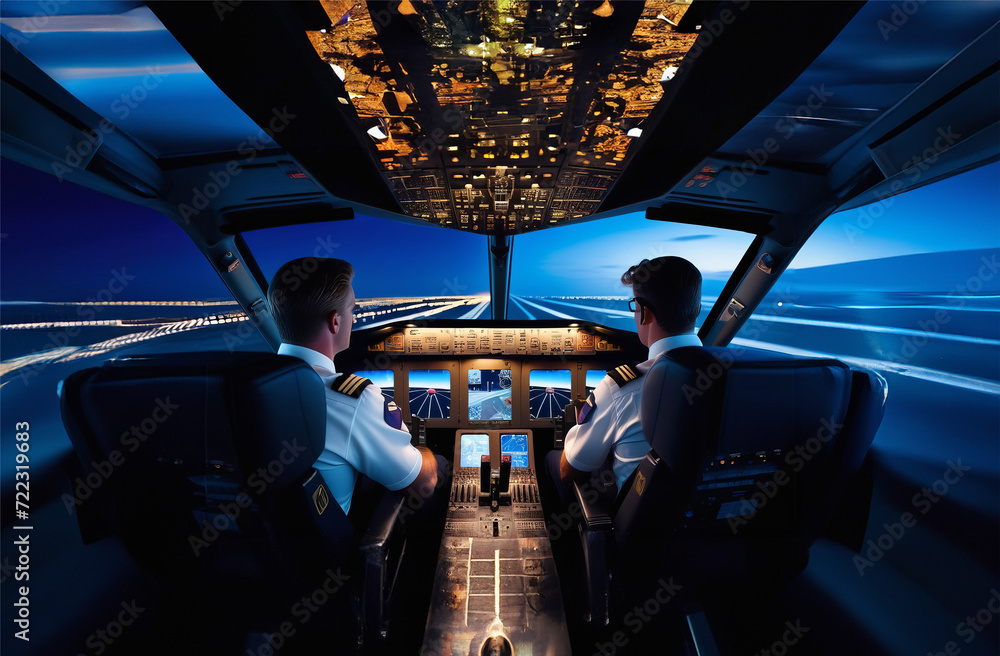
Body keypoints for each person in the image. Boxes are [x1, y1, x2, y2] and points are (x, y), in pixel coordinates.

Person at [266, 257, 443, 522]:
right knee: (439, 465)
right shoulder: (351, 401)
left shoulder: (245, 387)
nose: (354, 316)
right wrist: (423, 450)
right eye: (352, 309)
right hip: (327, 555)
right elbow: (422, 482)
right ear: (335, 322)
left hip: (256, 549)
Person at [544, 256, 703, 506]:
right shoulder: (732, 377)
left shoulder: (621, 388)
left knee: (554, 460)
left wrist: (578, 430)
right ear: (696, 309)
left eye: (635, 307)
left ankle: (570, 540)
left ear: (644, 313)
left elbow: (569, 470)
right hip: (710, 525)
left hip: (638, 533)